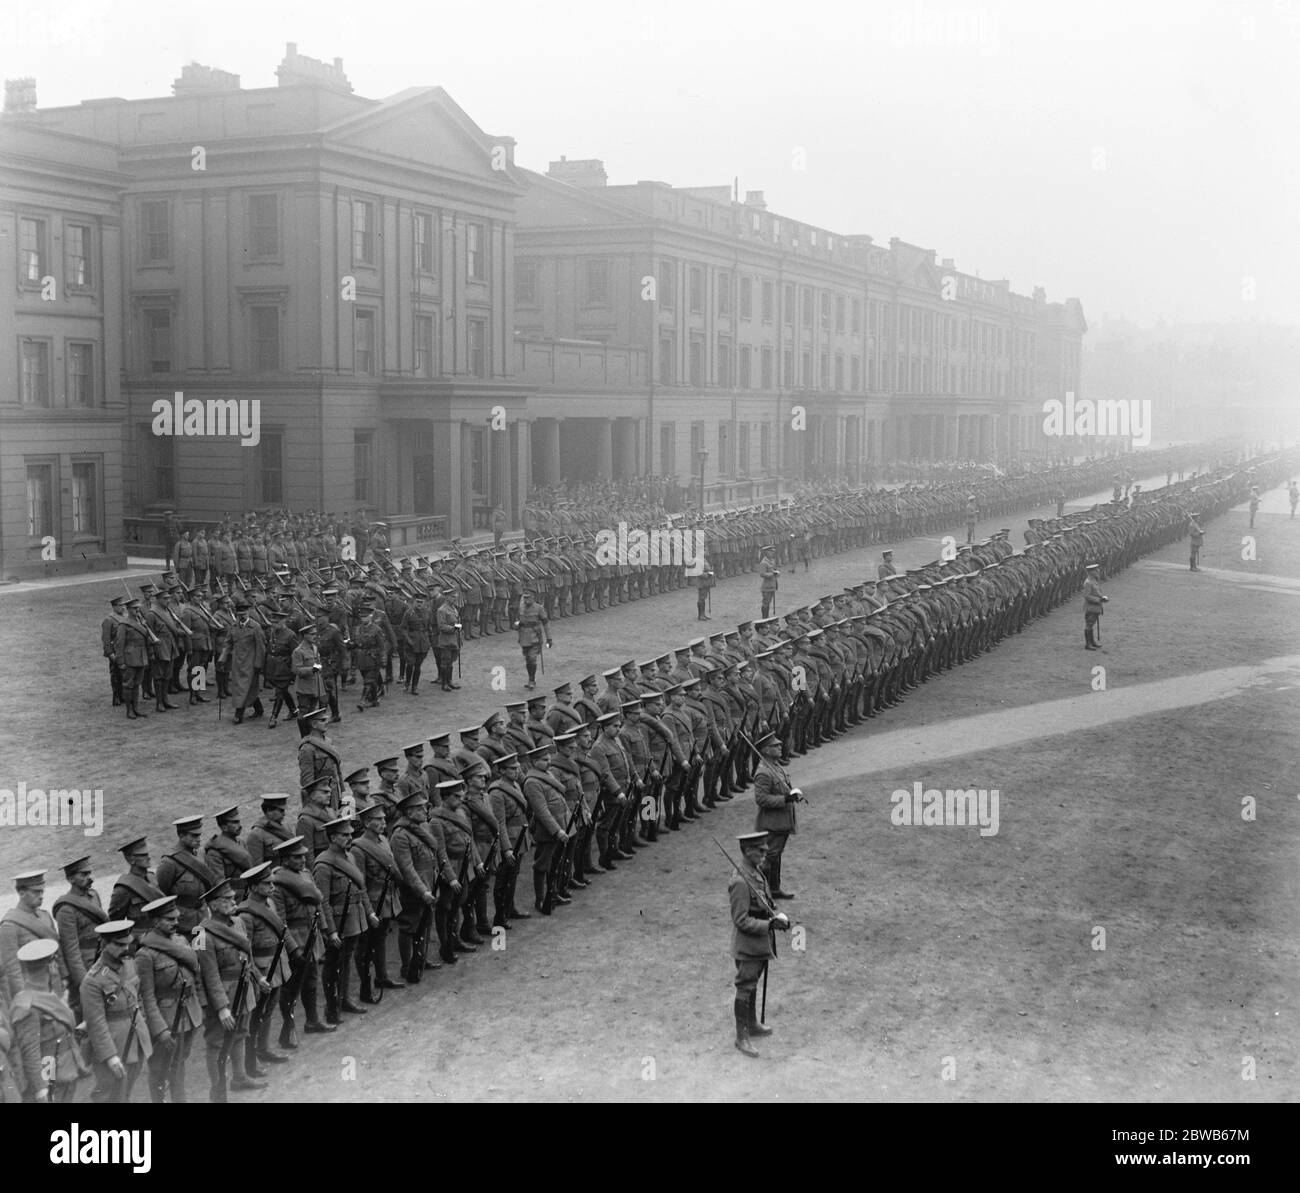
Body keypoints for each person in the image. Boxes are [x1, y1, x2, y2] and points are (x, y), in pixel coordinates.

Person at [196, 879, 267, 1101]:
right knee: (217, 1042)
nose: (233, 901)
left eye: (232, 898)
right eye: (227, 899)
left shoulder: (238, 923)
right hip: (223, 996)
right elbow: (209, 976)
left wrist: (258, 976)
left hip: (243, 988)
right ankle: (218, 1090)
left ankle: (239, 1077)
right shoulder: (203, 936)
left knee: (241, 1034)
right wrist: (221, 1008)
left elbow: (248, 956)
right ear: (214, 905)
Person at [136, 895, 203, 1103]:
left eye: (176, 918)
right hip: (166, 1018)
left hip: (188, 1013)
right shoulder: (145, 955)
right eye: (169, 919)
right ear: (155, 921)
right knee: (159, 1066)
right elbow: (146, 998)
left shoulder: (181, 941)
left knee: (179, 1061)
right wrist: (160, 1029)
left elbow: (195, 974)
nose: (176, 922)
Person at [728, 831, 789, 1058]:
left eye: (765, 850)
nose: (765, 854)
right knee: (745, 985)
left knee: (753, 982)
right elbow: (740, 920)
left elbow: (766, 900)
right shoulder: (740, 882)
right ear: (747, 851)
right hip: (748, 944)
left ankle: (752, 1024)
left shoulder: (756, 874)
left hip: (760, 942)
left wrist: (775, 915)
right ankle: (741, 1036)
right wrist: (769, 926)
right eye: (760, 851)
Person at [80, 920, 153, 1101]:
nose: (125, 948)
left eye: (127, 943)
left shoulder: (129, 964)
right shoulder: (93, 980)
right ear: (105, 945)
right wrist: (110, 1056)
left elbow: (137, 995)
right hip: (114, 1045)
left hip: (136, 1038)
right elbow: (96, 1023)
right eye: (119, 945)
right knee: (108, 1094)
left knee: (126, 1091)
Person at [312, 816, 376, 1023]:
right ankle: (332, 1008)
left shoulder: (351, 858)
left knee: (346, 960)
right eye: (344, 835)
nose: (350, 838)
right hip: (338, 923)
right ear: (332, 838)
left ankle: (345, 999)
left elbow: (361, 888)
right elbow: (322, 902)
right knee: (332, 964)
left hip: (354, 919)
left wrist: (369, 912)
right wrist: (330, 931)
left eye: (350, 834)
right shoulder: (323, 864)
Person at [9, 937, 86, 1102]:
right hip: (50, 1077)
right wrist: (41, 1089)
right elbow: (30, 1053)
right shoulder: (27, 1006)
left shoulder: (49, 995)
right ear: (51, 967)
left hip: (65, 1069)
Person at [236, 863, 292, 1072]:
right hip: (260, 970)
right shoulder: (245, 915)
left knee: (268, 1011)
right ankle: (251, 1062)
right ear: (253, 887)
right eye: (267, 884)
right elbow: (245, 951)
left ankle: (263, 1048)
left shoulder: (269, 903)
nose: (272, 887)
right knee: (255, 1015)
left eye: (271, 882)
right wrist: (257, 977)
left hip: (275, 965)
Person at [52, 855, 106, 1019]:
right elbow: (71, 952)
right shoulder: (66, 909)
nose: (90, 878)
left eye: (90, 873)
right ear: (70, 879)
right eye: (84, 875)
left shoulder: (94, 895)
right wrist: (84, 984)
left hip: (102, 959)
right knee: (89, 1013)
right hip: (86, 967)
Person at [0, 870, 63, 1003]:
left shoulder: (45, 916)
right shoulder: (9, 926)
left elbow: (58, 954)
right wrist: (24, 1000)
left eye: (42, 891)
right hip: (33, 992)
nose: (41, 896)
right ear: (21, 893)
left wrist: (63, 980)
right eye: (36, 892)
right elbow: (13, 971)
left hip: (55, 984)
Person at [752, 731, 800, 899]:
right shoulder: (764, 772)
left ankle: (775, 889)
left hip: (781, 821)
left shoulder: (776, 766)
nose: (780, 747)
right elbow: (761, 799)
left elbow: (782, 787)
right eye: (775, 746)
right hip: (772, 823)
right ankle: (760, 894)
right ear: (765, 750)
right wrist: (786, 798)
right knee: (768, 859)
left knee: (776, 856)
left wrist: (792, 795)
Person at [515, 588, 552, 690]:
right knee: (528, 660)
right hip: (523, 638)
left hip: (535, 637)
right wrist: (518, 624)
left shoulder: (539, 608)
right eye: (525, 598)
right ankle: (531, 678)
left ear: (533, 598)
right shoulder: (521, 609)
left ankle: (532, 680)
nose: (526, 600)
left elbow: (545, 623)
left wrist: (549, 638)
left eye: (528, 598)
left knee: (532, 658)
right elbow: (516, 623)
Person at [1083, 562, 1108, 651]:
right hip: (1091, 607)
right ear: (1090, 572)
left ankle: (1092, 642)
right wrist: (1099, 600)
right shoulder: (1088, 583)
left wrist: (1102, 597)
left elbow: (1096, 592)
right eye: (1095, 570)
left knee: (1092, 624)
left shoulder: (1094, 580)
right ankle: (1088, 644)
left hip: (1095, 607)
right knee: (1089, 624)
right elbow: (1087, 596)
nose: (1098, 571)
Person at [759, 546, 779, 618]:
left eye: (773, 552)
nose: (772, 553)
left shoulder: (772, 561)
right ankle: (764, 618)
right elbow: (762, 574)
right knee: (766, 604)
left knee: (768, 602)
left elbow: (774, 569)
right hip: (766, 586)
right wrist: (772, 574)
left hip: (772, 585)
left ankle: (766, 617)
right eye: (770, 552)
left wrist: (776, 573)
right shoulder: (763, 563)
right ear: (766, 553)